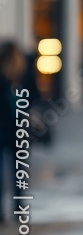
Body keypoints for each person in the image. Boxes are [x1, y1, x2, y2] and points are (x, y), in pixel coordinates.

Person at [0, 42, 33, 222]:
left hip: (4, 127)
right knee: (19, 169)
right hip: (19, 128)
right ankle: (19, 208)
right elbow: (33, 97)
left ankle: (3, 211)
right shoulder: (23, 72)